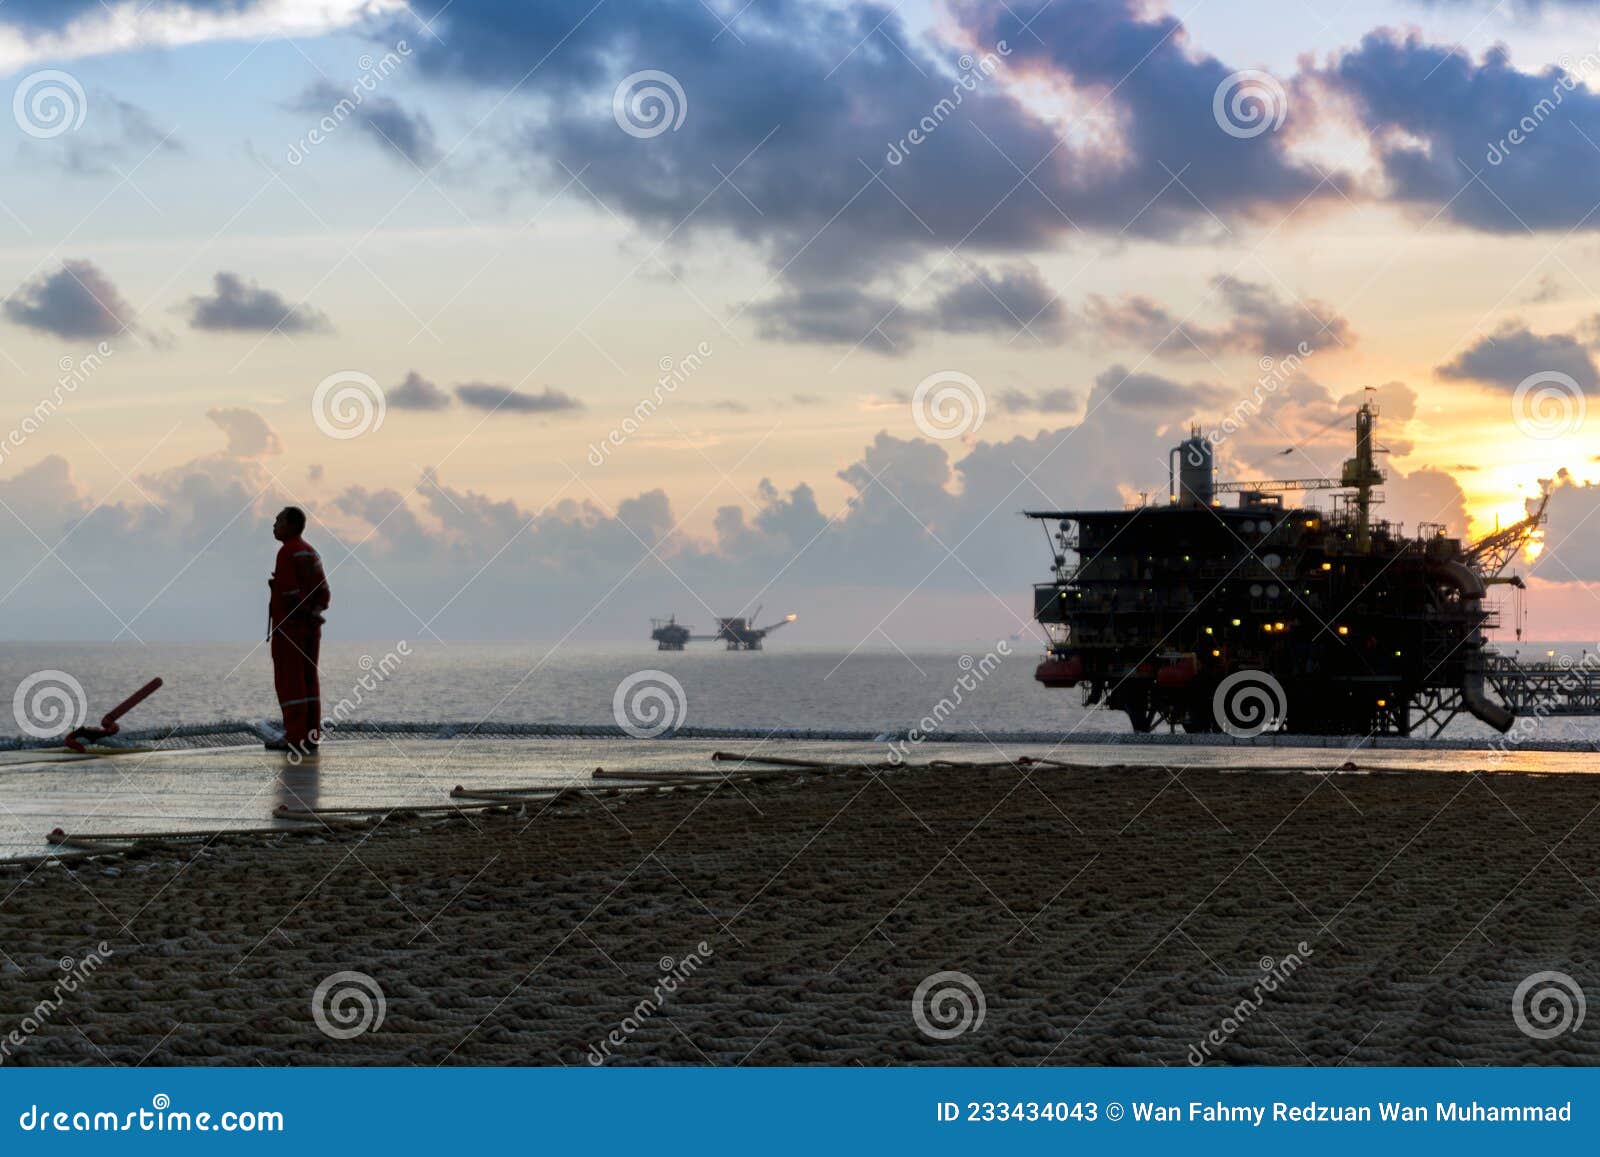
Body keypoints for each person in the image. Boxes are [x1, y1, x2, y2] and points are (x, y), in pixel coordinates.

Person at [266, 506, 330, 755]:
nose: (274, 524)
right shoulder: (310, 552)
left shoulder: (287, 552)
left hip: (290, 629)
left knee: (290, 681)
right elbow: (323, 592)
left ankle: (294, 736)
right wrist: (312, 614)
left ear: (291, 525)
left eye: (278, 520)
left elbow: (292, 594)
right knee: (308, 679)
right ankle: (310, 734)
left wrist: (280, 591)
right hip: (310, 629)